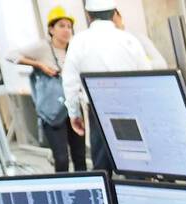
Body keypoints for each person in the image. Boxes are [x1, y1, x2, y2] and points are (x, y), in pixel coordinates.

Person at [61, 1, 161, 171]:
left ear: (88, 15)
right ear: (114, 13)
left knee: (102, 168)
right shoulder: (129, 39)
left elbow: (70, 82)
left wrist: (74, 114)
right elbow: (146, 77)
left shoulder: (78, 41)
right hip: (129, 109)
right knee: (136, 165)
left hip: (98, 110)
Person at [12, 7, 86, 173]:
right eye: (61, 25)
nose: (67, 30)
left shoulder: (74, 49)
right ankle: (63, 194)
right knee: (61, 158)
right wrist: (39, 65)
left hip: (73, 107)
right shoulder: (42, 48)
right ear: (51, 29)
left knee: (80, 157)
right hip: (52, 110)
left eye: (69, 26)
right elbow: (11, 55)